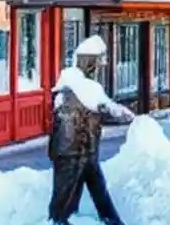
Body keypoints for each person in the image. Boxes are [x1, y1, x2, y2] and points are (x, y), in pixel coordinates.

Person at [48, 35, 136, 225]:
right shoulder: (79, 86)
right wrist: (124, 114)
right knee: (63, 199)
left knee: (98, 192)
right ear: (88, 62)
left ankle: (110, 221)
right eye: (95, 63)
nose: (97, 68)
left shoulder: (75, 85)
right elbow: (105, 107)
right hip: (71, 153)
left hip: (85, 150)